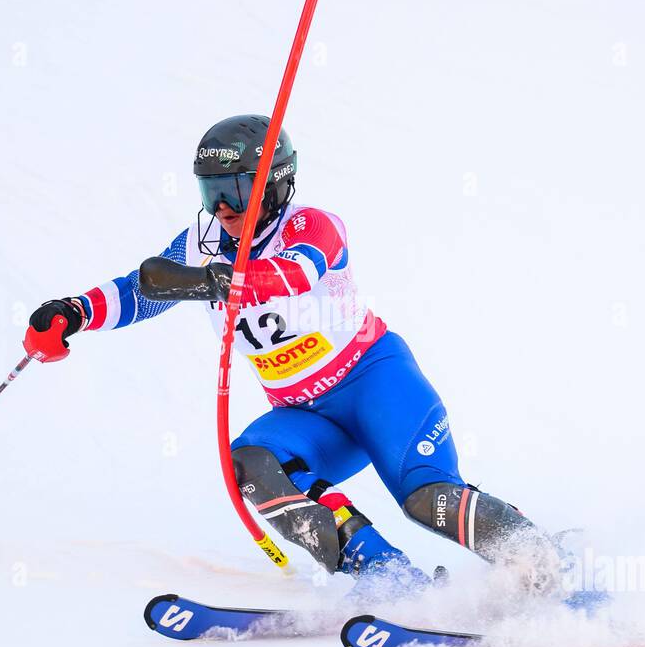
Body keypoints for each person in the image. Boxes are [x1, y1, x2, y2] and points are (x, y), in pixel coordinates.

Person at [29, 115, 558, 595]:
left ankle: (542, 561)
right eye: (211, 191)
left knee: (426, 500)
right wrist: (75, 312)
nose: (222, 210)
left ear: (275, 183)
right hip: (305, 413)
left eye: (236, 190)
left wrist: (212, 281)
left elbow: (293, 274)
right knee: (251, 464)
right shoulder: (203, 240)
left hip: (375, 385)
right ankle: (387, 578)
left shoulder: (311, 225)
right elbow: (140, 291)